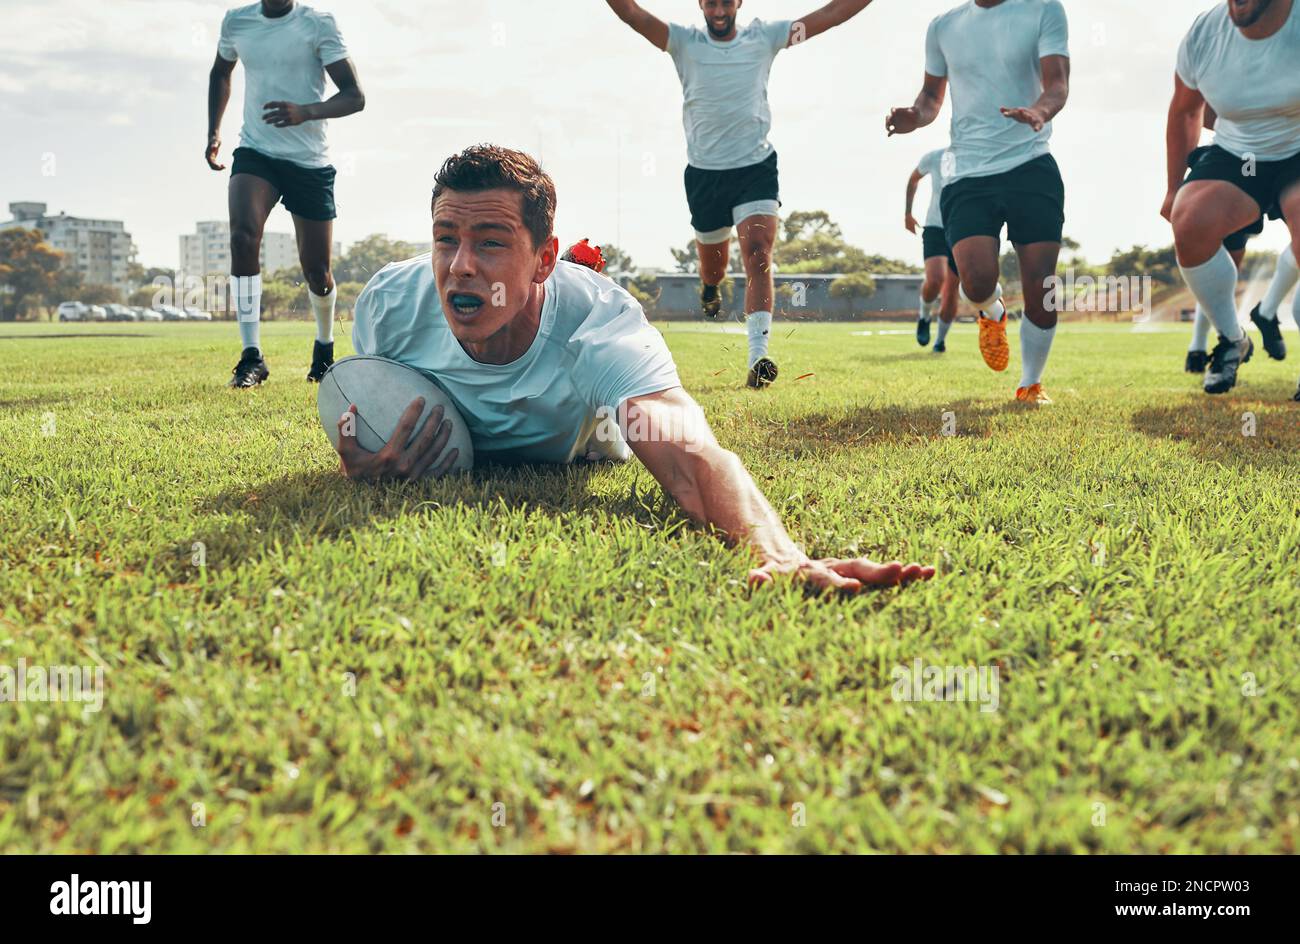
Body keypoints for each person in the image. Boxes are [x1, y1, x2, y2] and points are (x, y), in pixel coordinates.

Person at [334, 144, 935, 593]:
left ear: (545, 260)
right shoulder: (390, 306)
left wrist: (776, 552)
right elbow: (368, 410)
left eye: (490, 242)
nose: (460, 266)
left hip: (582, 451)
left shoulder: (598, 327)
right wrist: (363, 459)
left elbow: (687, 451)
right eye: (446, 239)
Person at [604, 0, 879, 388]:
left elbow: (828, 16)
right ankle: (711, 288)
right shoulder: (681, 42)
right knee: (714, 266)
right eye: (711, 2)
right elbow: (632, 13)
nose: (719, 10)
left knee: (758, 253)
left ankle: (758, 357)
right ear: (701, 4)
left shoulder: (765, 37)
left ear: (739, 3)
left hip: (755, 168)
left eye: (725, 2)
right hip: (705, 175)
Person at [888, 0, 1070, 405]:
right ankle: (992, 312)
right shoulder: (943, 26)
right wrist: (914, 116)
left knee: (1042, 286)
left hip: (1030, 164)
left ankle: (1030, 383)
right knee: (975, 280)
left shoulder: (1043, 10)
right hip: (968, 173)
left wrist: (1039, 111)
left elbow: (1057, 84)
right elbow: (931, 99)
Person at [207, 0, 365, 388]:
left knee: (317, 272)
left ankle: (324, 347)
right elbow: (220, 73)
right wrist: (214, 131)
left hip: (309, 162)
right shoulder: (237, 21)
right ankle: (252, 357)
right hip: (256, 153)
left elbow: (354, 96)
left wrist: (305, 112)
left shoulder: (318, 25)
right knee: (243, 237)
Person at [1163, 0, 1300, 395]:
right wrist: (1173, 189)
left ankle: (1272, 316)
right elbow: (1185, 111)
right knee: (1188, 220)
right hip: (1240, 154)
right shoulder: (1205, 34)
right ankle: (1231, 339)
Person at [906, 148, 960, 353]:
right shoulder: (934, 157)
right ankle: (924, 315)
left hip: (961, 229)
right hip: (935, 227)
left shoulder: (977, 155)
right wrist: (907, 214)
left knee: (951, 289)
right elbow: (913, 179)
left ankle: (940, 341)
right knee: (936, 278)